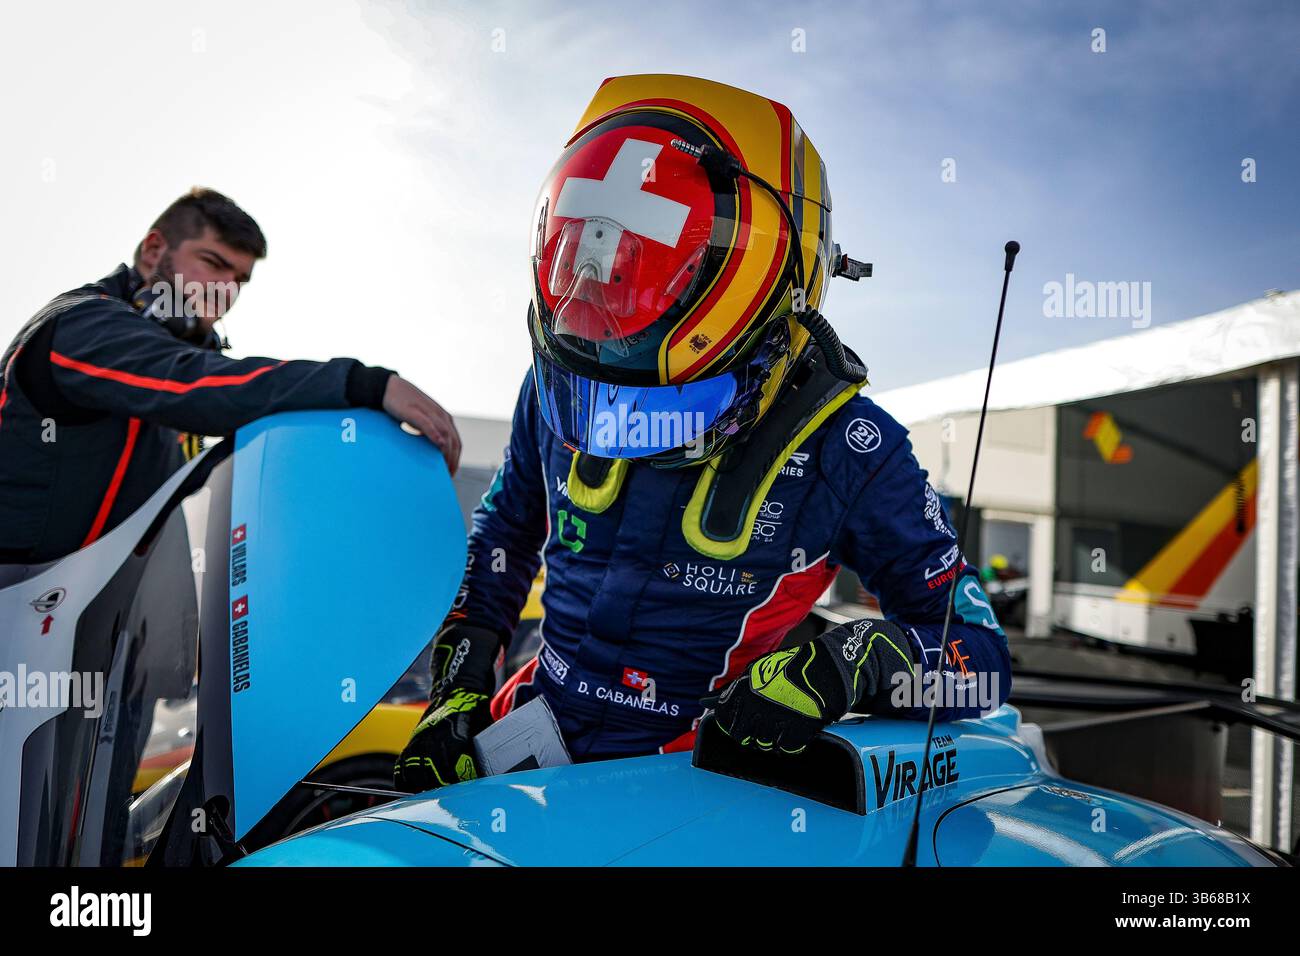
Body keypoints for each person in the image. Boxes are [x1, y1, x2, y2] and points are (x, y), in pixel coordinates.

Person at [395, 75, 1010, 791]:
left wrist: (862, 659)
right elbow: (504, 537)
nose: (615, 327)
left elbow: (982, 662)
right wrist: (458, 689)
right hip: (524, 745)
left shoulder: (853, 447)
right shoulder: (569, 369)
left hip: (695, 784)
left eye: (648, 286)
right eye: (608, 282)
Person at [0, 187, 460, 565]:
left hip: (100, 618)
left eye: (239, 279)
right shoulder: (84, 325)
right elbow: (195, 385)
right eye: (214, 264)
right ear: (154, 249)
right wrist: (365, 384)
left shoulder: (175, 354)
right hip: (19, 610)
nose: (225, 290)